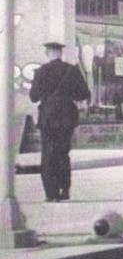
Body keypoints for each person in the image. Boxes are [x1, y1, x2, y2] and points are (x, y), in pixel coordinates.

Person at [28, 41, 91, 202]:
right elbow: (83, 93)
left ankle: (51, 192)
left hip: (48, 117)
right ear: (60, 53)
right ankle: (65, 188)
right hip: (66, 117)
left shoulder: (41, 72)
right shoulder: (71, 71)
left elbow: (33, 97)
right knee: (63, 152)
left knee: (48, 154)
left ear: (47, 53)